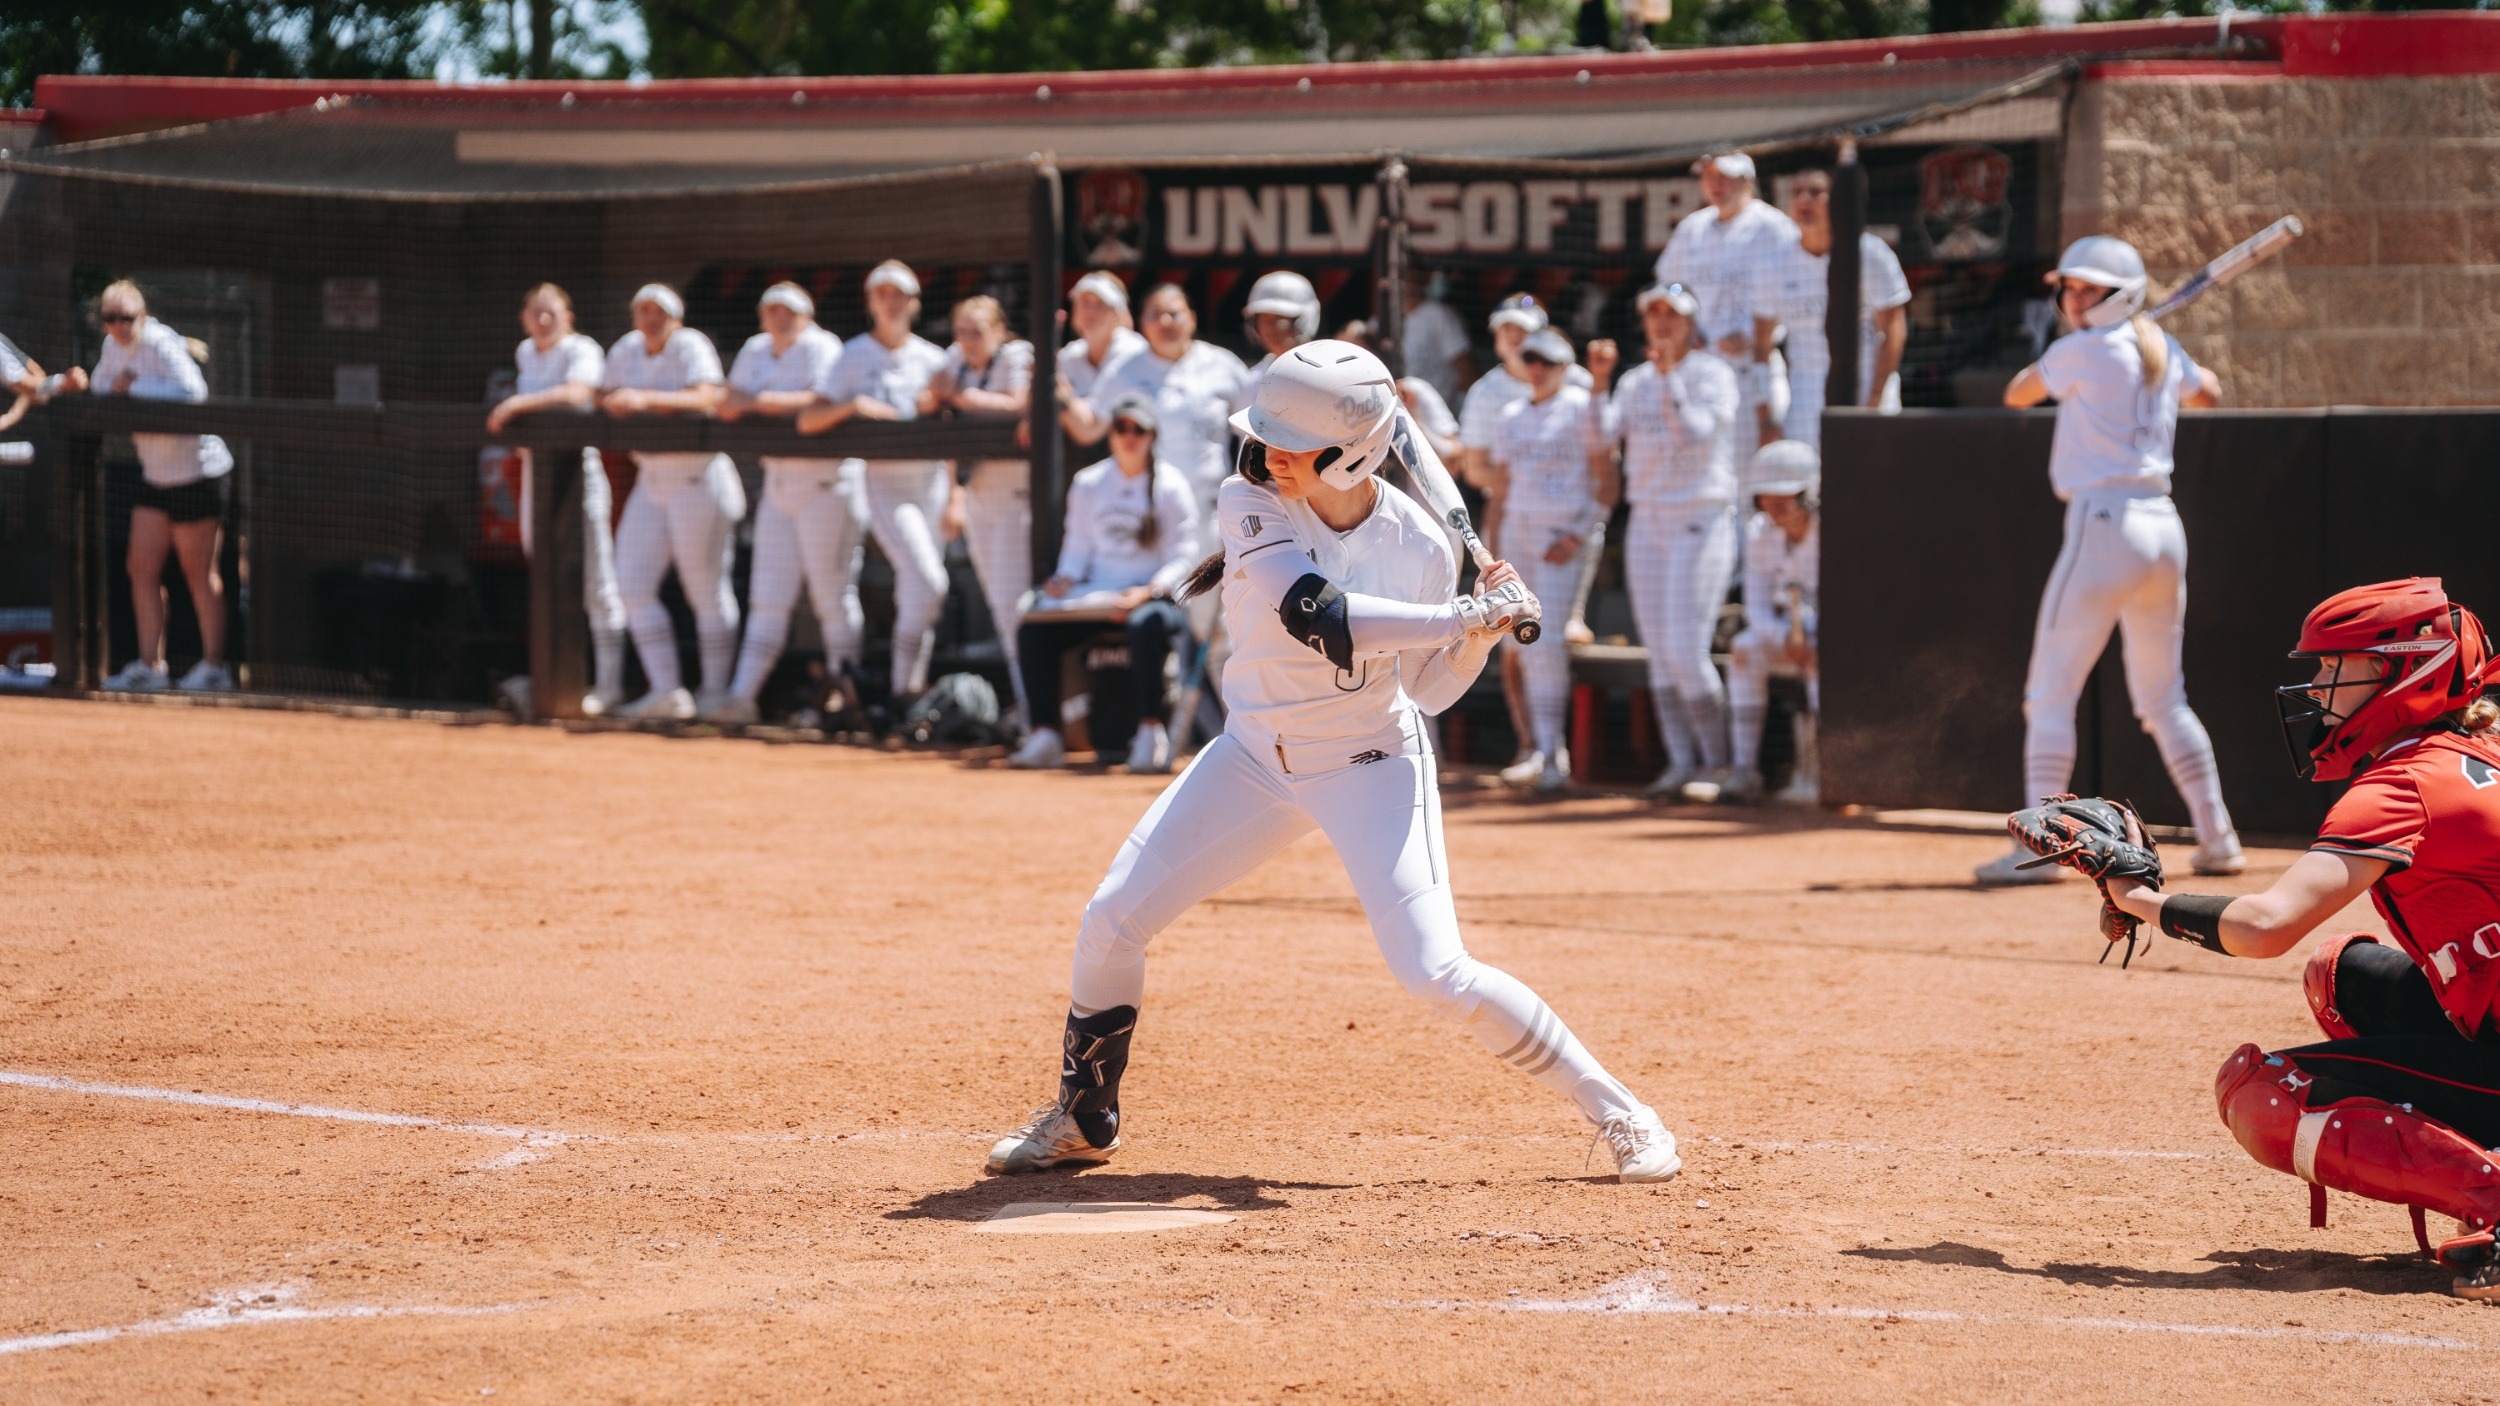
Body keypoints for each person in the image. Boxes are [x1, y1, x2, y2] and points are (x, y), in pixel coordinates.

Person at [982, 340, 1679, 1185]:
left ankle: (1622, 1112)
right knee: (1112, 919)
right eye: (1265, 433)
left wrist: (1479, 636)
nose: (1267, 451)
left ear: (1349, 453)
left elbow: (1428, 690)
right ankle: (1084, 1119)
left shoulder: (1422, 544)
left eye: (1291, 442)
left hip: (1369, 761)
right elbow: (1321, 614)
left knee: (1435, 972)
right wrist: (1464, 614)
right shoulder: (1250, 497)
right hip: (1252, 757)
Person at [2060, 579, 2500, 1301]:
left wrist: (2138, 898)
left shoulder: (2405, 782)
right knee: (2339, 976)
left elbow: (2267, 927)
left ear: (2403, 671)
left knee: (2262, 1092)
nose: (2318, 687)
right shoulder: (2478, 752)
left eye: (2335, 667)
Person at [1974, 235, 2243, 885]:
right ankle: (2219, 839)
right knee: (2164, 699)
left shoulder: (2084, 350)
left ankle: (2041, 848)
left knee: (2049, 695)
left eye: (2086, 289)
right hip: (2161, 529)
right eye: (2068, 288)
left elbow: (2016, 393)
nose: (2072, 299)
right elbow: (2208, 392)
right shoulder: (2157, 346)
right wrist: (2152, 346)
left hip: (2104, 525)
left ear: (2119, 296)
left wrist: (2104, 346)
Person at [1587, 282, 1741, 800]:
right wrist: (1598, 384)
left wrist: (1670, 376)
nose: (1661, 323)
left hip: (1699, 516)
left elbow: (1691, 433)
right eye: (1653, 314)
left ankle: (1720, 765)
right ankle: (1681, 761)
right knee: (1658, 651)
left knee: (1685, 650)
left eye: (1671, 315)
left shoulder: (1714, 374)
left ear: (1690, 323)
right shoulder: (1634, 381)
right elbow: (1599, 439)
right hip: (1648, 519)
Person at [1006, 393, 1200, 774]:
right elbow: (1078, 545)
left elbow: (1184, 557)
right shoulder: (1089, 482)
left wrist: (1147, 591)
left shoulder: (1172, 485)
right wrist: (1064, 578)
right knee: (1033, 630)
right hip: (1094, 597)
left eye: (1138, 429)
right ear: (1110, 434)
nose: (1129, 437)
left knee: (1146, 624)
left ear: (1151, 436)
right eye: (1121, 428)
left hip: (1154, 597)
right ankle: (1046, 734)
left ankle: (1149, 732)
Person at [799, 261, 953, 704]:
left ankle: (907, 694)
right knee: (930, 582)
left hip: (931, 482)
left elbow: (951, 430)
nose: (890, 302)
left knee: (918, 592)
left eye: (899, 294)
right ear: (870, 301)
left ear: (914, 302)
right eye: (882, 293)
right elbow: (809, 419)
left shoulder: (934, 357)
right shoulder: (853, 354)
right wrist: (853, 406)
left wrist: (956, 494)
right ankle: (903, 687)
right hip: (886, 483)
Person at [73, 281, 236, 693]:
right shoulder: (112, 348)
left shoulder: (161, 343)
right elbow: (99, 386)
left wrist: (134, 387)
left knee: (198, 574)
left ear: (141, 317)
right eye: (109, 319)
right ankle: (150, 666)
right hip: (155, 475)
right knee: (140, 568)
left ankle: (214, 667)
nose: (118, 327)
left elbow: (194, 392)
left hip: (197, 473)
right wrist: (120, 386)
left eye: (125, 318)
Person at [716, 281, 860, 727]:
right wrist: (772, 404)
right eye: (773, 310)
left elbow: (818, 403)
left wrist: (757, 401)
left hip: (826, 484)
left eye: (789, 311)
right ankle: (742, 697)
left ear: (807, 315)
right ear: (762, 316)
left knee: (831, 598)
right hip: (778, 485)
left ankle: (847, 700)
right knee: (767, 599)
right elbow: (726, 405)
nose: (780, 318)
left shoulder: (823, 345)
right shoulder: (755, 348)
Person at [486, 282, 630, 715]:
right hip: (537, 475)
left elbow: (577, 393)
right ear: (524, 318)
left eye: (552, 312)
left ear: (569, 318)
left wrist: (518, 405)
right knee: (545, 577)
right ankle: (551, 683)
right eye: (536, 312)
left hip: (578, 475)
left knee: (598, 584)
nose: (543, 320)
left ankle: (609, 686)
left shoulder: (582, 348)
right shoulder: (526, 353)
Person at [600, 282, 740, 722]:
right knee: (631, 584)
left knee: (705, 589)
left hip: (698, 478)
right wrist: (616, 401)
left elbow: (708, 396)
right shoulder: (627, 348)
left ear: (676, 317)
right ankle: (666, 691)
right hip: (651, 478)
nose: (650, 318)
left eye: (659, 311)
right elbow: (602, 394)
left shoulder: (690, 344)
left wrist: (645, 399)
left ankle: (716, 693)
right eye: (643, 310)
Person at [1486, 326, 1617, 793]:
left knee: (1545, 644)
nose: (1538, 368)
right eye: (1531, 359)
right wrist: (1490, 553)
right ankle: (1538, 750)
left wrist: (1578, 534)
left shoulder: (1583, 407)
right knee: (1517, 645)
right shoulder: (1510, 414)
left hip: (1562, 538)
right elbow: (1500, 491)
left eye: (1547, 361)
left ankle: (1553, 756)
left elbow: (1608, 482)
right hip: (1517, 538)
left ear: (1565, 366)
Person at [1745, 165, 1912, 449]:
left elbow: (1894, 330)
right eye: (1797, 192)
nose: (1804, 200)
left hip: (1868, 389)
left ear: (1839, 201)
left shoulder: (1871, 254)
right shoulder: (1773, 265)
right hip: (1805, 401)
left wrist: (1874, 401)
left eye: (1816, 192)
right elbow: (1761, 347)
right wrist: (1766, 419)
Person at [927, 296, 1037, 724]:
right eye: (962, 332)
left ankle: (1035, 711)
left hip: (1015, 495)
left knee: (1014, 604)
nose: (968, 341)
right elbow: (929, 403)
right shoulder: (956, 358)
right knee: (998, 604)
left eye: (977, 332)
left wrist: (960, 395)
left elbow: (1018, 402)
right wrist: (940, 392)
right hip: (976, 493)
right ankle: (1029, 706)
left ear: (998, 330)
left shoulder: (1016, 353)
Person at [1065, 283, 1251, 536]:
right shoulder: (1123, 370)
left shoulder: (1224, 365)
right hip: (1147, 516)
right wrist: (1056, 385)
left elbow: (1254, 431)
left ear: (1192, 318)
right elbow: (1089, 427)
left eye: (1173, 314)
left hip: (1213, 514)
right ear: (1142, 323)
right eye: (1155, 315)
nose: (1165, 322)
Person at [1655, 151, 1799, 470]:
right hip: (1703, 366)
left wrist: (1755, 335)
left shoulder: (1774, 227)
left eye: (1723, 177)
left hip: (1753, 367)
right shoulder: (1692, 229)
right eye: (1708, 177)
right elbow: (1667, 287)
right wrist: (1687, 332)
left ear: (1746, 181)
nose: (1714, 185)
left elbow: (1798, 288)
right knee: (1708, 465)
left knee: (1760, 464)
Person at [1720, 441, 1821, 806]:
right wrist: (1784, 638)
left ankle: (1822, 774)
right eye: (1766, 496)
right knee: (1744, 648)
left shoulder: (1835, 530)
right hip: (1784, 638)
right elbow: (1756, 605)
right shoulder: (1759, 532)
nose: (1773, 505)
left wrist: (1812, 641)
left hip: (1831, 642)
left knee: (1820, 665)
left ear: (1808, 494)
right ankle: (1744, 770)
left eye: (1785, 496)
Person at [1053, 271, 1146, 422]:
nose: (1090, 311)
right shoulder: (1069, 355)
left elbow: (1092, 423)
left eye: (1100, 304)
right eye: (1084, 303)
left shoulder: (1133, 351)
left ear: (1117, 313)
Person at [1400, 270, 1472, 410]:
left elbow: (1466, 371)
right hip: (1399, 413)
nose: (1397, 282)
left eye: (1402, 276)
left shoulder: (1437, 314)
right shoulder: (1382, 320)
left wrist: (1455, 414)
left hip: (1438, 415)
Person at [1241, 269, 1321, 376]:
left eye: (1279, 317)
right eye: (1264, 319)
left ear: (1303, 320)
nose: (1269, 328)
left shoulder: (1328, 372)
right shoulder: (1253, 379)